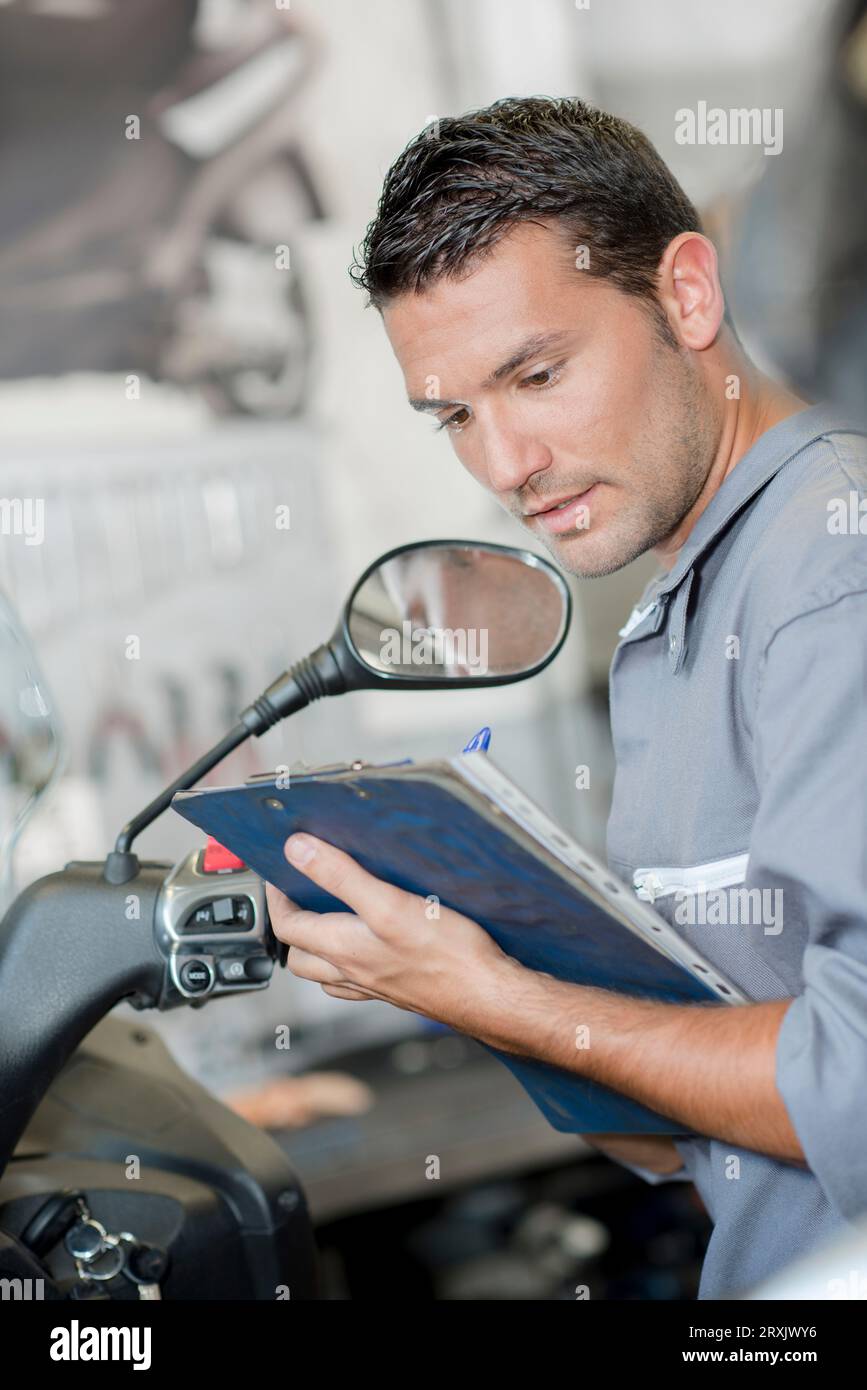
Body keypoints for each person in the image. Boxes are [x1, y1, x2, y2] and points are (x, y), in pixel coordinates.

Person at [264, 97, 867, 1299]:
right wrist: (444, 971)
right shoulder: (677, 609)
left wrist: (508, 997)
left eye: (536, 374)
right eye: (454, 417)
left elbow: (852, 1090)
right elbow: (685, 1143)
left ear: (688, 295)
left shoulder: (830, 577)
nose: (502, 467)